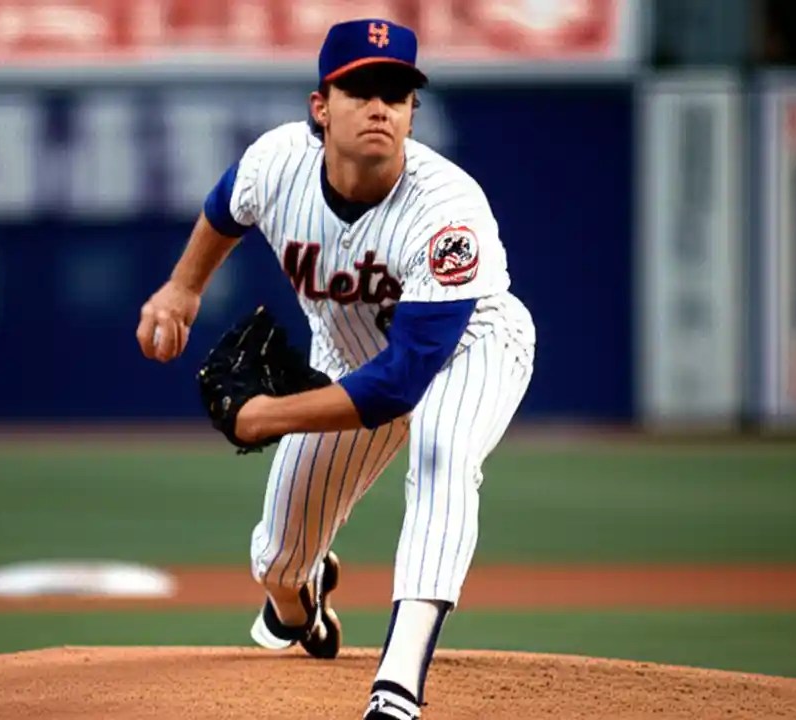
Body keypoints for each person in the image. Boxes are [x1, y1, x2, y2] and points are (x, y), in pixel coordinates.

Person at [135, 18, 535, 720]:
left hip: (472, 349)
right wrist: (183, 288)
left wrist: (267, 415)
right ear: (321, 105)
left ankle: (397, 687)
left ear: (413, 110)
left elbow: (402, 384)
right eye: (360, 88)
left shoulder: (448, 211)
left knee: (442, 449)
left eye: (397, 92)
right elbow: (225, 208)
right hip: (348, 361)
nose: (380, 105)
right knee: (278, 565)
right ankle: (306, 598)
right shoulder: (277, 163)